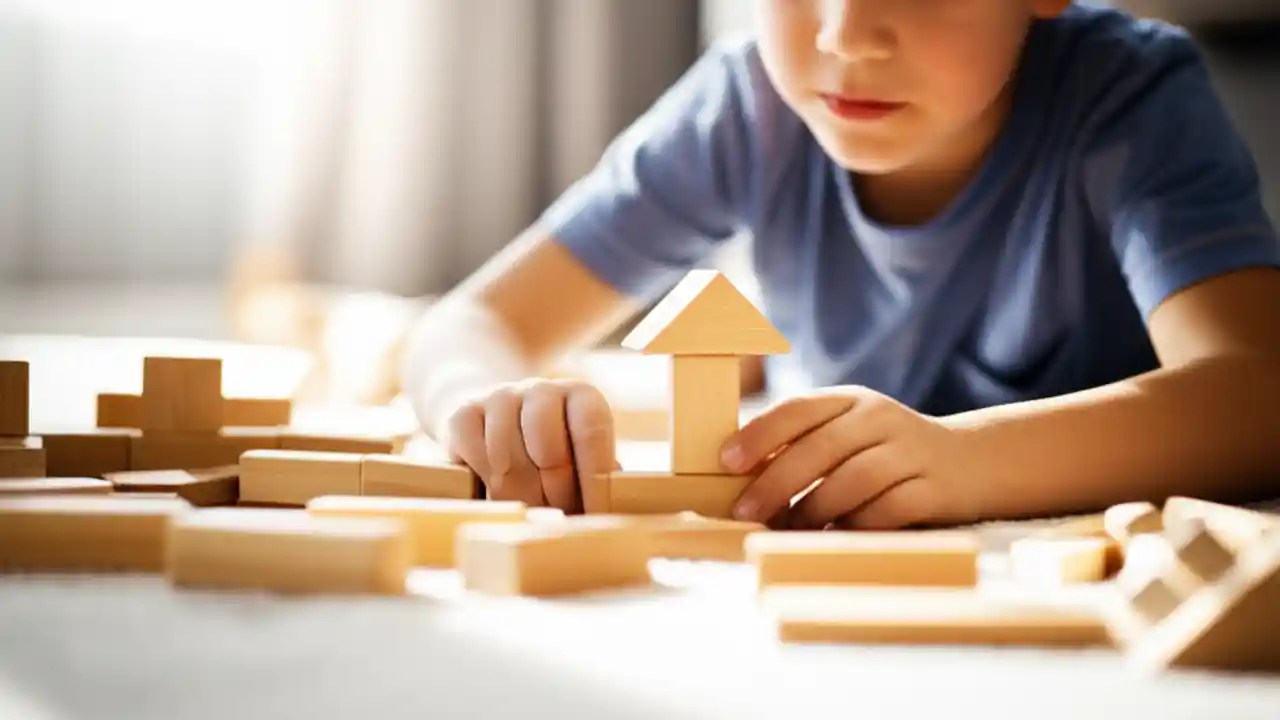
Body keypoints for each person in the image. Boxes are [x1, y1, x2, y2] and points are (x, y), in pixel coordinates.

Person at [402, 1, 1280, 529]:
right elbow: (469, 323)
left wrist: (964, 463)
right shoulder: (747, 103)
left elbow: (1258, 394)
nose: (848, 35)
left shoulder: (1130, 99)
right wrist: (484, 402)